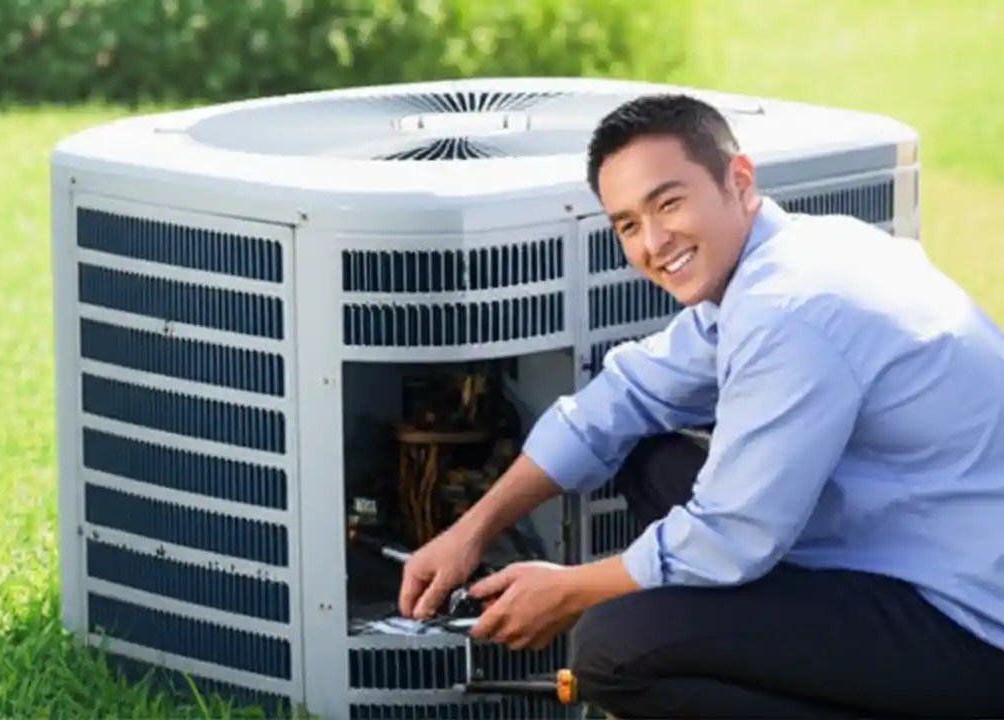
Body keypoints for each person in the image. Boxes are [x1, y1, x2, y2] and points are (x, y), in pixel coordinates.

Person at [397, 93, 1004, 718]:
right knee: (648, 456)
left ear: (737, 181)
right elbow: (627, 394)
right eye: (628, 224)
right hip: (906, 535)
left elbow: (731, 534)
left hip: (973, 620)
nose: (654, 243)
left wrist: (571, 591)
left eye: (669, 203)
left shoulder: (790, 310)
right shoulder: (783, 258)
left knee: (612, 649)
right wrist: (472, 529)